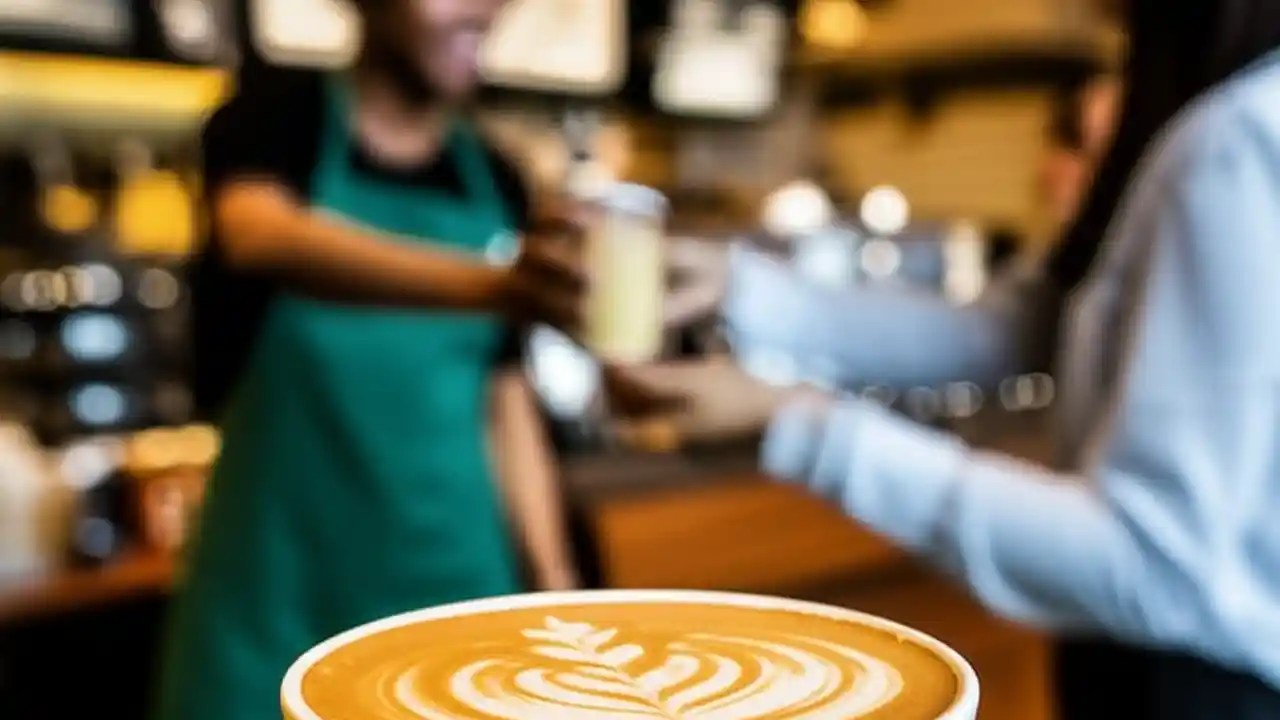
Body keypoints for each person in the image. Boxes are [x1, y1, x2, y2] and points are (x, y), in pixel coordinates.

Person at [625, 0, 1280, 717]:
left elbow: (1158, 561)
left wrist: (797, 425)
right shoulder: (1219, 121)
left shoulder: (1238, 141)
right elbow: (1021, 329)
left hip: (1208, 682)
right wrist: (739, 289)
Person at [156, 1, 585, 717]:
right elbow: (259, 236)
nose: (486, 10)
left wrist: (556, 580)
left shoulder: (498, 179)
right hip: (277, 592)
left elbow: (506, 403)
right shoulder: (274, 118)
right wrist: (497, 286)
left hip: (456, 589)